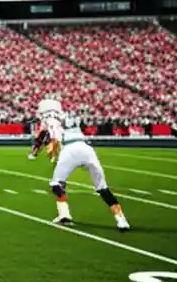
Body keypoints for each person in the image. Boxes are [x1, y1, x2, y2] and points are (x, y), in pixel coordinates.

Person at [32, 98, 130, 231]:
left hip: (69, 150)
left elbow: (51, 135)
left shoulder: (49, 119)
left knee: (56, 184)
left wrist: (44, 149)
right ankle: (121, 219)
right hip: (86, 148)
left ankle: (64, 214)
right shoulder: (69, 115)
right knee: (103, 188)